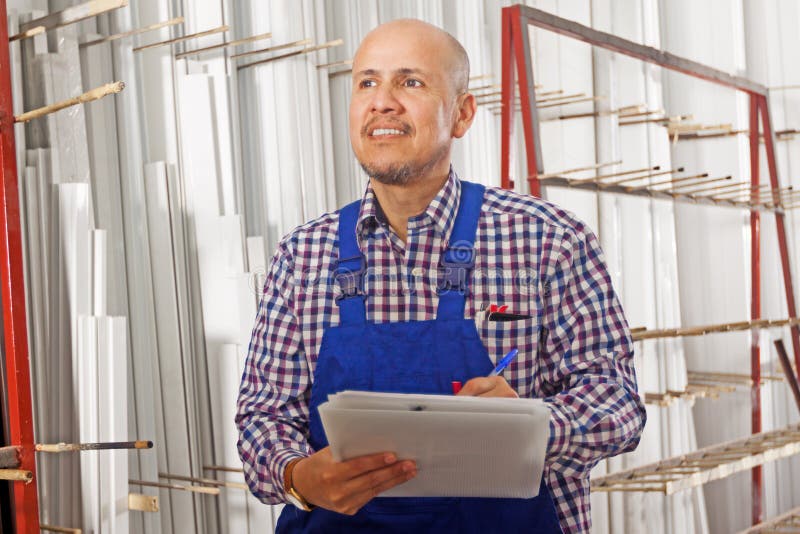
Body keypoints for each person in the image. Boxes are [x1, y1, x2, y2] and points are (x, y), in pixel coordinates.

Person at [237, 18, 646, 534]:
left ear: (462, 113)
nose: (382, 102)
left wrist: (531, 424)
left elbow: (618, 404)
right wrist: (298, 476)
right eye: (367, 82)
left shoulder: (550, 241)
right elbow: (261, 420)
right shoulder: (303, 257)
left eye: (410, 82)